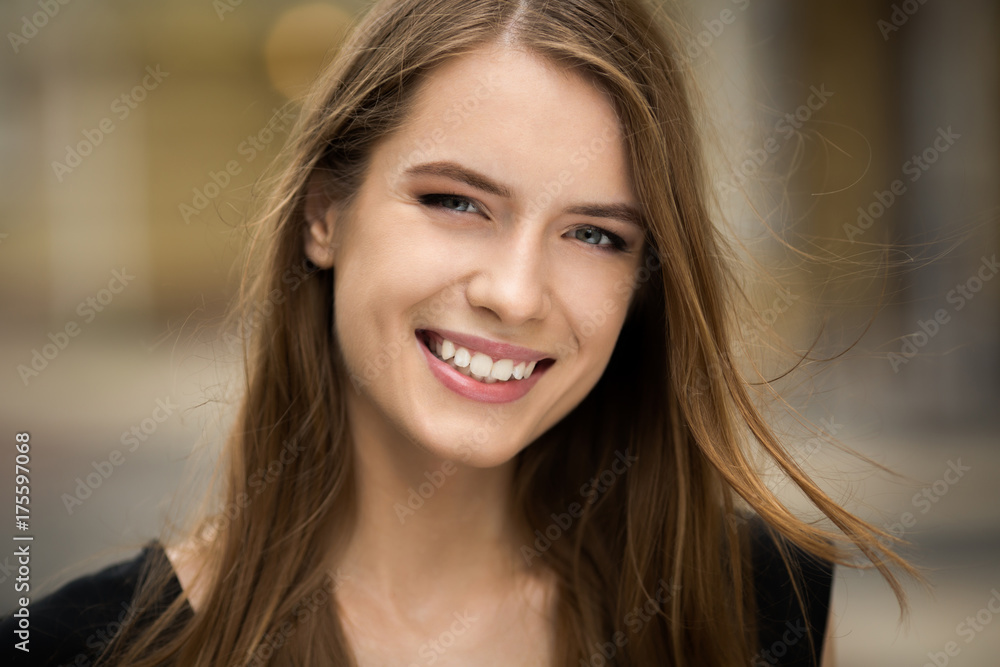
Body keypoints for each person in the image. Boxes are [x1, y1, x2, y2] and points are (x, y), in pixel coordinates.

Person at [2, 0, 917, 664]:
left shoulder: (759, 608)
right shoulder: (88, 646)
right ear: (325, 214)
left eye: (596, 234)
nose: (517, 292)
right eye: (456, 201)